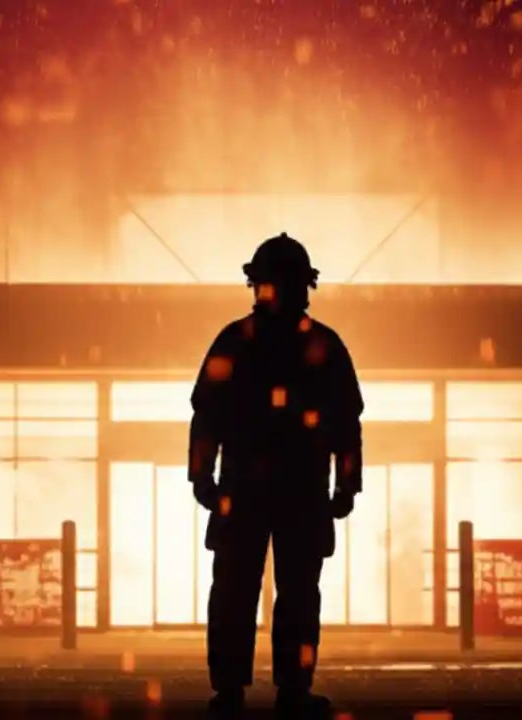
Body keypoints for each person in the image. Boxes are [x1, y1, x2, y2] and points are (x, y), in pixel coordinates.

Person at [188, 233, 364, 716]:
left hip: (247, 488)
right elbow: (347, 424)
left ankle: (232, 688)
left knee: (237, 592)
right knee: (292, 594)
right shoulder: (324, 347)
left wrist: (203, 476)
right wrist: (346, 485)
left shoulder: (235, 342)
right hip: (299, 490)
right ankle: (290, 688)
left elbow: (206, 415)